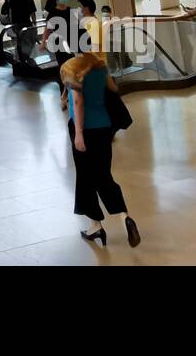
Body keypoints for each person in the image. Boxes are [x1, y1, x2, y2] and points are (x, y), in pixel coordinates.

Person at [59, 52, 139, 248]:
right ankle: (124, 216)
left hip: (85, 129)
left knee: (86, 177)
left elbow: (78, 102)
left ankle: (96, 226)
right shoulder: (99, 68)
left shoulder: (72, 70)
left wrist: (78, 133)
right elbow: (113, 88)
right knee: (103, 175)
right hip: (104, 128)